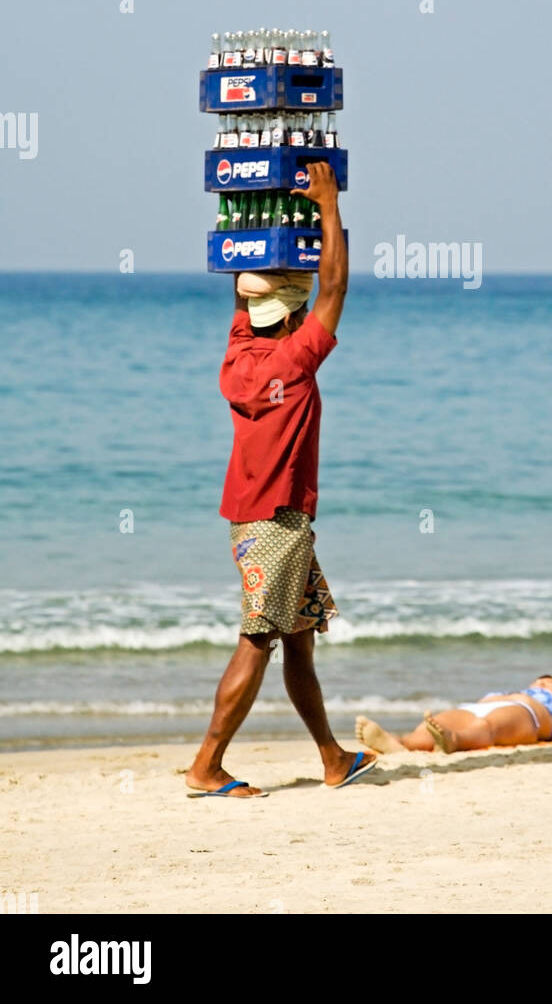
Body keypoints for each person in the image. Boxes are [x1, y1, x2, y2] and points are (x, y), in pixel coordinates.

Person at [187, 162, 376, 797]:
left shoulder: (238, 355)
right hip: (276, 522)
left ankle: (331, 756)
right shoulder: (294, 362)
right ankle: (207, 764)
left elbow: (247, 300)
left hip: (254, 518)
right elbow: (337, 286)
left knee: (298, 641)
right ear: (294, 317)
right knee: (259, 638)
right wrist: (326, 204)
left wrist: (254, 211)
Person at [356, 673, 552, 754]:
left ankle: (454, 742)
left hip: (526, 717)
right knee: (436, 721)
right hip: (479, 705)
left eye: (549, 683)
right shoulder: (510, 691)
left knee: (489, 726)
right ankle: (401, 742)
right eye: (538, 680)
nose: (540, 681)